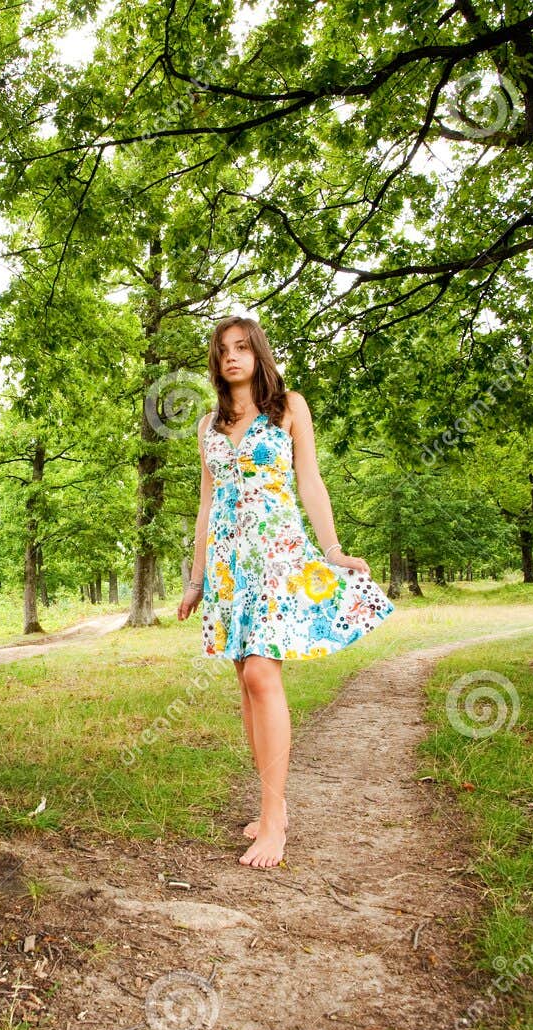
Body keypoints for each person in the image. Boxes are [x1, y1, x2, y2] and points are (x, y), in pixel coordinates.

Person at [176, 316, 395, 869]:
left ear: (258, 354)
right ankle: (273, 803)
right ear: (215, 360)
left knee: (260, 673)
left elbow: (310, 482)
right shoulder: (208, 424)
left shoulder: (289, 407)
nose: (232, 357)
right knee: (245, 685)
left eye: (242, 347)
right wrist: (197, 578)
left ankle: (273, 819)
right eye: (223, 349)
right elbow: (206, 505)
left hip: (277, 554)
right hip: (230, 566)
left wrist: (334, 551)